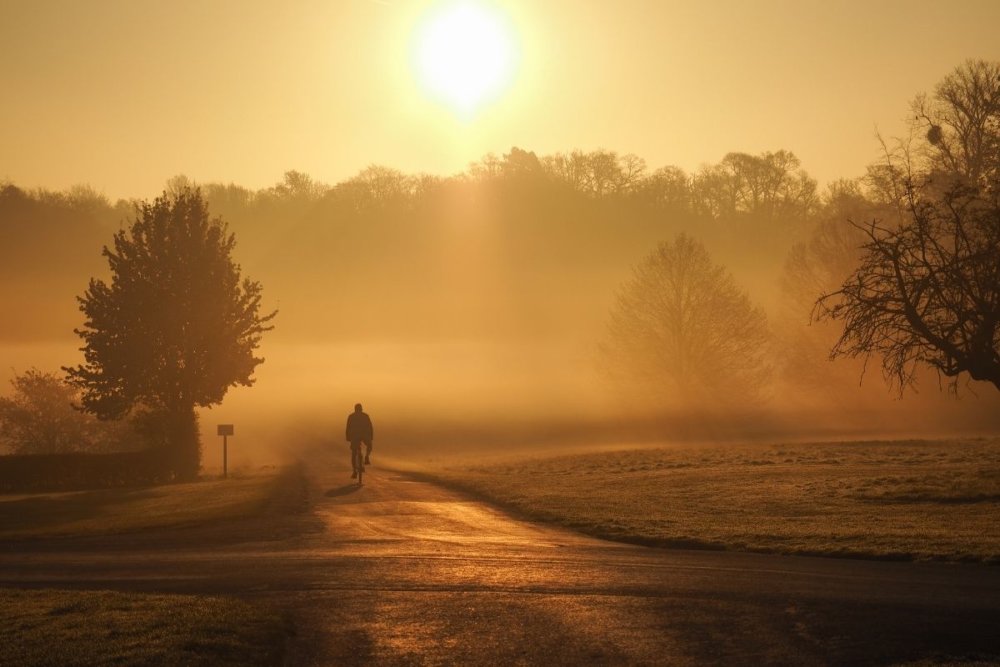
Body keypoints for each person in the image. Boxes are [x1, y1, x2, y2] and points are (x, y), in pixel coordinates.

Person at [346, 403, 373, 478]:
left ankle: (354, 471)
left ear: (355, 409)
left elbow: (348, 428)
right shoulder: (365, 416)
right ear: (361, 409)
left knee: (354, 454)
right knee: (369, 445)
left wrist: (348, 437)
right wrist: (371, 437)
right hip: (365, 435)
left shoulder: (351, 416)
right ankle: (367, 456)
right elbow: (370, 427)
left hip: (355, 436)